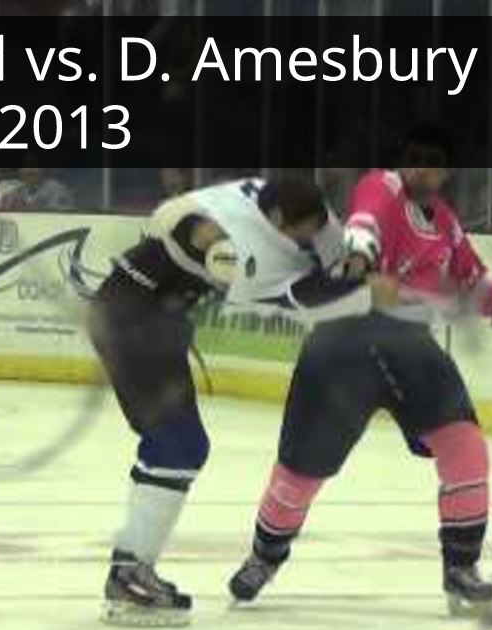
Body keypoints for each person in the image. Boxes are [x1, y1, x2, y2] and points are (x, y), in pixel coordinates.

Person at [226, 125, 492, 618]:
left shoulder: (447, 223)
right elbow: (364, 221)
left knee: (465, 447)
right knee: (302, 471)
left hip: (410, 347)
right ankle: (264, 556)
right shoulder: (382, 187)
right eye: (411, 159)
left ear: (447, 173)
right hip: (345, 341)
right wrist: (362, 253)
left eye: (431, 162)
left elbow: (471, 274)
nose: (417, 169)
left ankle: (461, 568)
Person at [89, 176, 398, 626]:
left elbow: (334, 252)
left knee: (178, 446)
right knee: (178, 446)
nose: (308, 240)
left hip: (155, 317)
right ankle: (128, 572)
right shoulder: (229, 248)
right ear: (274, 220)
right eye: (301, 233)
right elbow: (298, 300)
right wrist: (364, 293)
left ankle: (131, 568)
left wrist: (357, 259)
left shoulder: (294, 205)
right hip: (129, 323)